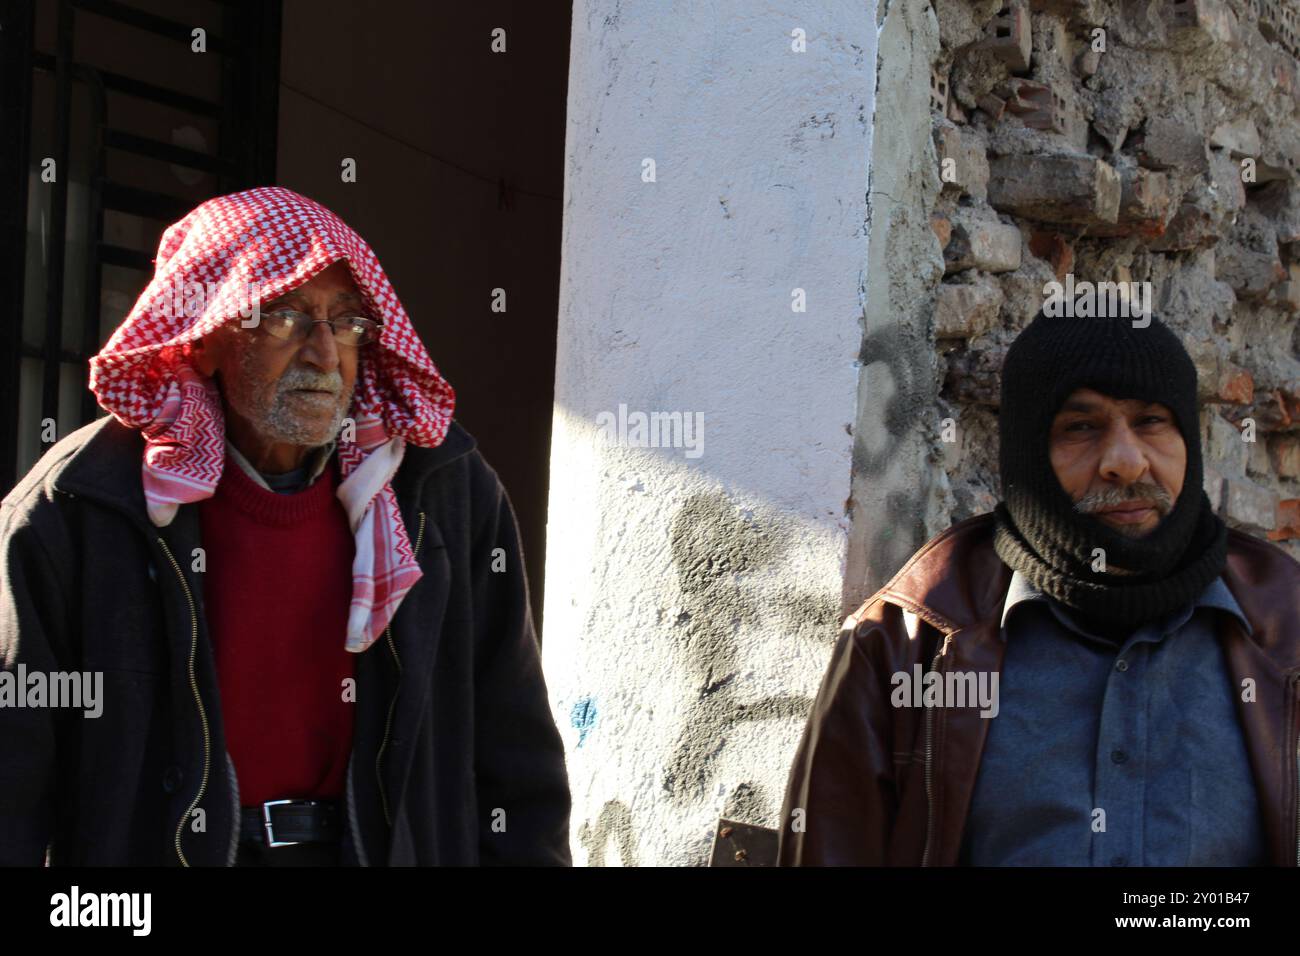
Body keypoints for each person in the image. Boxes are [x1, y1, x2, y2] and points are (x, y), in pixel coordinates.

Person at [0, 186, 571, 866]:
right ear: (205, 337)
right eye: (285, 318)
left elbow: (518, 756)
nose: (326, 356)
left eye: (348, 323)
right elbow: (14, 783)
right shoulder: (81, 506)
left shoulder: (445, 493)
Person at [779, 309, 1300, 866]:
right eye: (1081, 427)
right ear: (1026, 454)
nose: (1125, 462)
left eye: (1151, 421)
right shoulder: (911, 640)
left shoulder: (1287, 630)